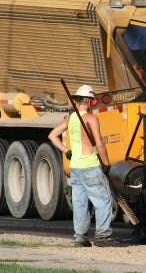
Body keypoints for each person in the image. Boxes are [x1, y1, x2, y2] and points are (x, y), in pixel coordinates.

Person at [47, 85, 117, 247]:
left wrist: (67, 151)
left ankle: (80, 237)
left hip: (75, 167)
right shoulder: (91, 119)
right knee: (103, 200)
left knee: (80, 203)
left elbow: (52, 135)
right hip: (90, 164)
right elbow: (100, 145)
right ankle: (102, 236)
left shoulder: (70, 119)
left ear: (78, 100)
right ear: (91, 102)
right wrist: (106, 164)